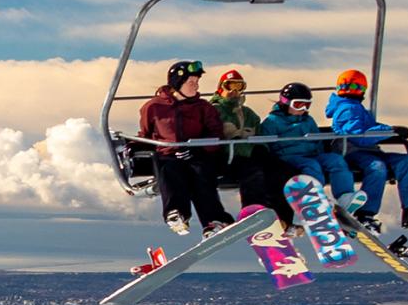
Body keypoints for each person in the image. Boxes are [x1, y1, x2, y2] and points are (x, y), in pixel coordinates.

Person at [326, 68, 408, 228]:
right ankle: (366, 213)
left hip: (370, 150)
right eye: (347, 87)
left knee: (406, 161)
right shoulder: (346, 108)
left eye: (357, 88)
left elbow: (369, 129)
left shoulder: (356, 108)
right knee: (377, 167)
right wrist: (389, 131)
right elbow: (357, 136)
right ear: (340, 89)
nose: (352, 91)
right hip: (352, 151)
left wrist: (392, 130)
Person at [137, 59, 234, 234]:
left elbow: (216, 134)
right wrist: (132, 146)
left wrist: (197, 148)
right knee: (168, 170)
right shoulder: (154, 107)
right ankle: (176, 214)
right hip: (168, 154)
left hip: (198, 153)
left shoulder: (203, 108)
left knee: (201, 174)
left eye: (197, 82)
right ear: (178, 83)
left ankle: (213, 221)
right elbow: (145, 134)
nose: (196, 86)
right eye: (192, 82)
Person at [254, 81, 361, 214]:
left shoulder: (308, 120)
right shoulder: (272, 122)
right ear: (285, 102)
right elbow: (265, 143)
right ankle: (314, 198)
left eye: (306, 105)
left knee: (335, 160)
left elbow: (317, 139)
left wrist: (321, 154)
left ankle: (344, 196)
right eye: (298, 105)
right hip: (289, 156)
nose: (303, 109)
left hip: (312, 153)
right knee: (312, 165)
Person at [211, 69, 292, 225]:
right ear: (221, 88)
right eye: (230, 86)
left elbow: (259, 136)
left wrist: (259, 148)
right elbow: (220, 135)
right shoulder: (214, 110)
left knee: (280, 171)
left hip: (249, 153)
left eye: (239, 87)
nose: (234, 91)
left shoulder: (249, 114)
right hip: (227, 158)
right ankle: (252, 212)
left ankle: (283, 218)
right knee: (252, 172)